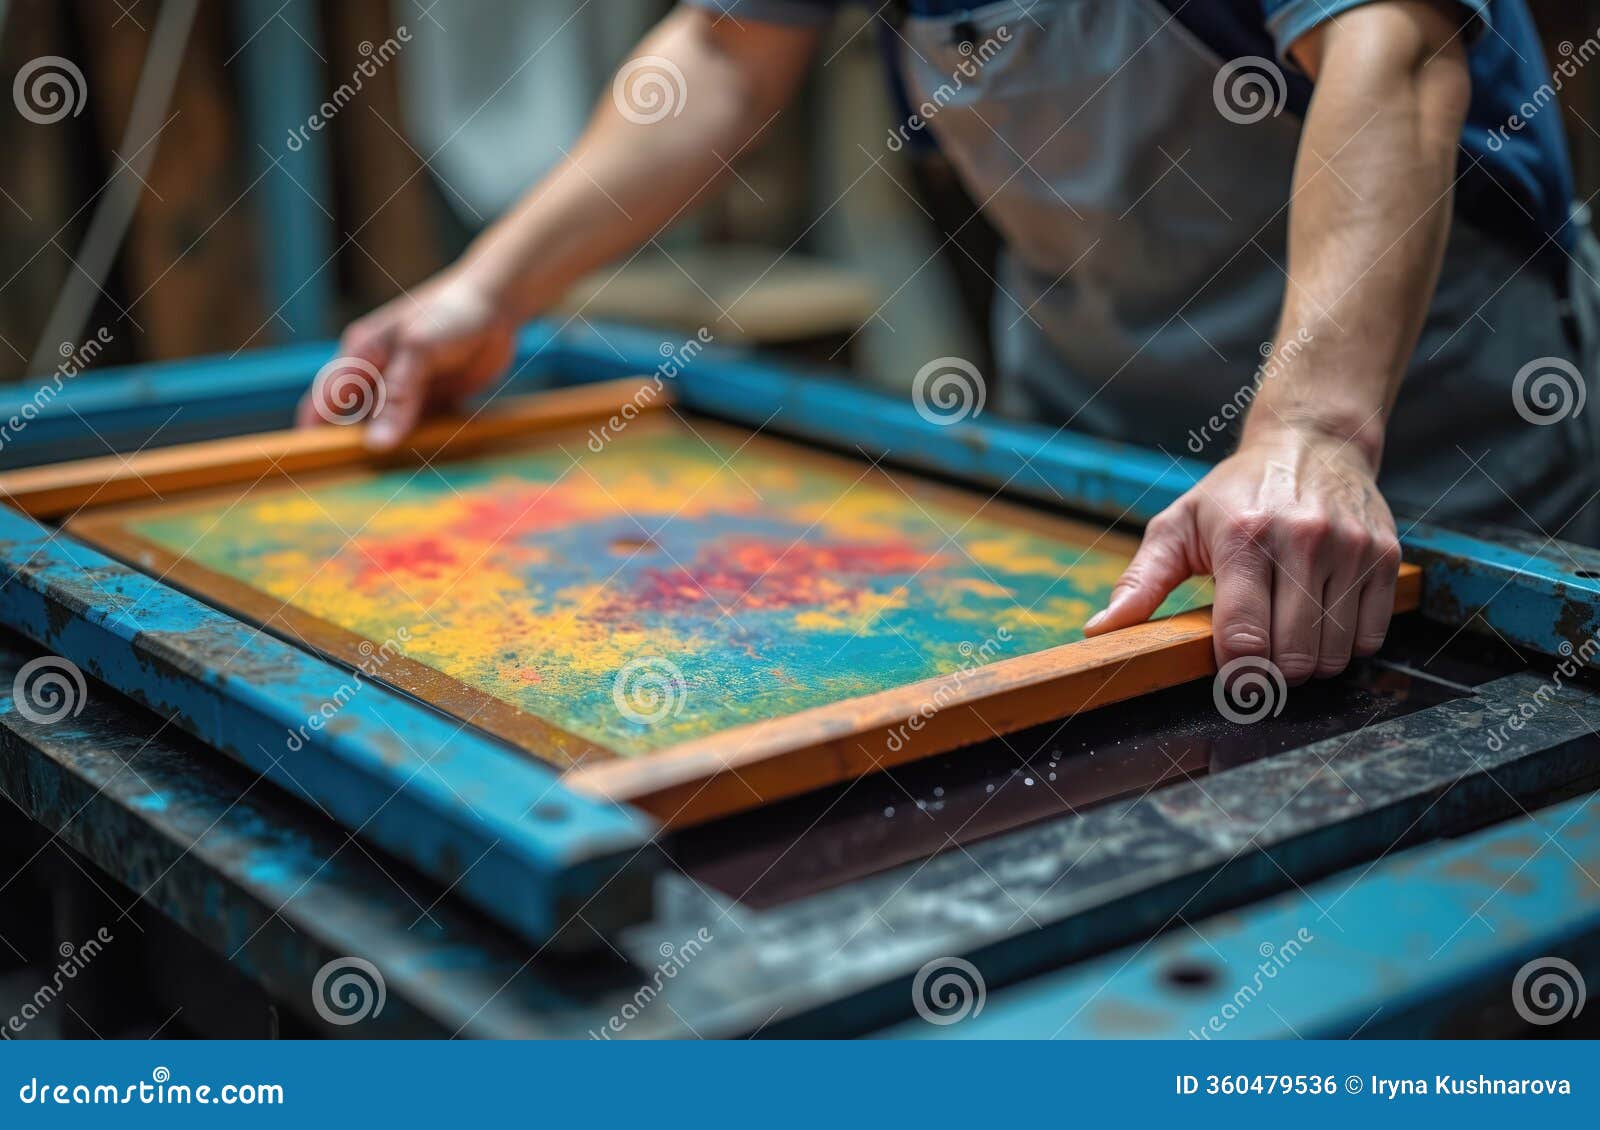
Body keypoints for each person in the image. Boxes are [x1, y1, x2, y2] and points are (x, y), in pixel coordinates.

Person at [299, 0, 1600, 684]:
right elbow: (722, 52)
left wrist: (1313, 429)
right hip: (1096, 447)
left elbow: (1394, 53)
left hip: (1427, 456)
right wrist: (491, 288)